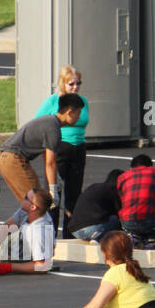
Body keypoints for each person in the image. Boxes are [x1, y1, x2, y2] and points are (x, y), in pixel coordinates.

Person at [0, 94, 85, 205]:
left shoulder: (50, 122)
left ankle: (16, 222)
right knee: (37, 202)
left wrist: (56, 178)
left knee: (31, 203)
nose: (79, 117)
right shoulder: (53, 129)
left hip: (6, 158)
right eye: (78, 113)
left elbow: (46, 155)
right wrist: (53, 191)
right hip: (12, 158)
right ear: (70, 113)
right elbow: (50, 163)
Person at [34, 65, 89, 237]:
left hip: (78, 147)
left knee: (74, 193)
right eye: (71, 84)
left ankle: (70, 234)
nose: (75, 87)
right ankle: (49, 235)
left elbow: (83, 121)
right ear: (63, 84)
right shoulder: (53, 101)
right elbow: (38, 122)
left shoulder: (83, 102)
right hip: (59, 147)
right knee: (53, 193)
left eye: (78, 83)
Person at [0, 188, 55, 275]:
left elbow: (43, 266)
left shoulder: (39, 231)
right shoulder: (26, 212)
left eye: (26, 198)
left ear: (33, 207)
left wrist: (9, 267)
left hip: (29, 259)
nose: (23, 198)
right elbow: (5, 229)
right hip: (21, 252)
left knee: (13, 238)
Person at [116, 154, 155, 244]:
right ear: (150, 166)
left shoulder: (122, 177)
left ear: (132, 167)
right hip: (151, 222)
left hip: (127, 223)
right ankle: (153, 238)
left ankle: (134, 235)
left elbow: (122, 200)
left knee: (131, 210)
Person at [68, 169, 122, 243]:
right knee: (116, 220)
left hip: (75, 231)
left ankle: (96, 236)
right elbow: (120, 214)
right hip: (92, 229)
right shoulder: (113, 189)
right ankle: (99, 238)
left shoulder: (95, 187)